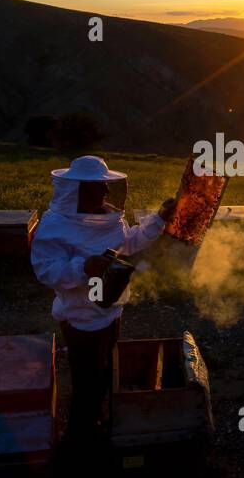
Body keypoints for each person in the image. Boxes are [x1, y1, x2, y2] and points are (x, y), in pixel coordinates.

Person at [31, 155, 175, 462]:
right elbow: (46, 270)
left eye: (106, 187)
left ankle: (99, 425)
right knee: (87, 384)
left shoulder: (109, 217)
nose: (106, 195)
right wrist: (84, 266)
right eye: (98, 189)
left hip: (111, 312)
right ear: (78, 191)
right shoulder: (55, 226)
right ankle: (79, 446)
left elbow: (130, 242)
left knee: (106, 374)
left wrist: (159, 219)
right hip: (81, 320)